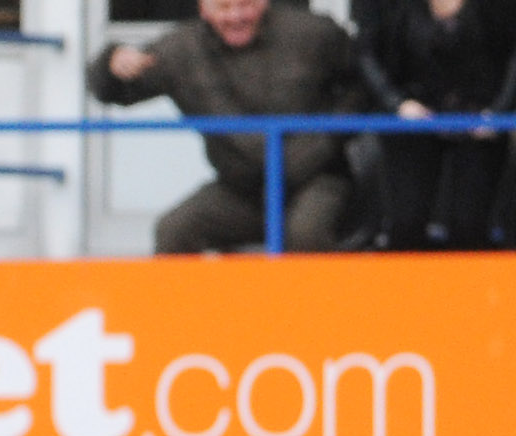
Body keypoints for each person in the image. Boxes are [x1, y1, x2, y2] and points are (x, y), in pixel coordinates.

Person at [89, 0, 366, 254]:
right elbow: (114, 89)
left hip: (317, 180)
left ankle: (313, 309)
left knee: (305, 234)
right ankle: (187, 309)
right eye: (223, 7)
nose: (235, 16)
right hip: (242, 190)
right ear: (203, 9)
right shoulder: (181, 49)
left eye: (245, 5)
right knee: (175, 230)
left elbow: (364, 84)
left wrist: (325, 140)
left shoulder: (312, 32)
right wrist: (112, 65)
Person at [354, 0, 516, 250]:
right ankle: (408, 288)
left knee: (469, 224)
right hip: (411, 121)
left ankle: (471, 288)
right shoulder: (391, 9)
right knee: (406, 223)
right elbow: (367, 51)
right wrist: (397, 102)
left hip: (481, 119)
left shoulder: (498, 8)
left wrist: (498, 110)